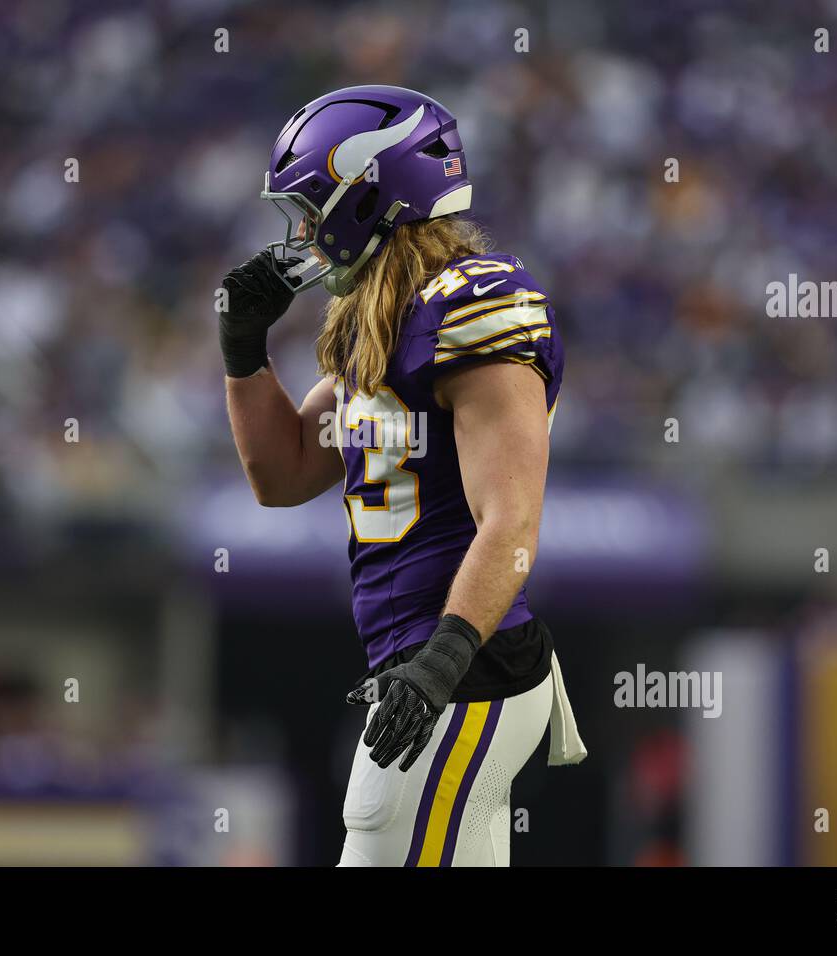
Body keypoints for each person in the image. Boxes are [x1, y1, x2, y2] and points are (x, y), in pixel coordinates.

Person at [219, 85, 584, 867]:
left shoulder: (471, 307)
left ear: (367, 200)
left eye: (314, 209)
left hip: (463, 667)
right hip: (424, 668)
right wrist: (243, 348)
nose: (305, 234)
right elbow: (280, 472)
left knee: (380, 831)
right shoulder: (380, 320)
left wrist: (440, 663)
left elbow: (511, 522)